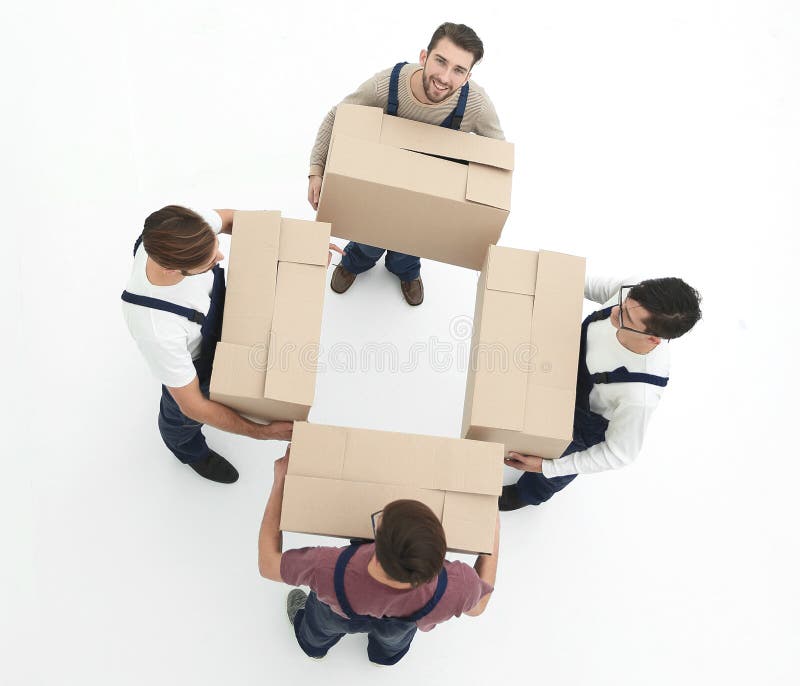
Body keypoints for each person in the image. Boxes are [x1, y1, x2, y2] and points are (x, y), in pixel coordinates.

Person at [307, 22, 505, 306]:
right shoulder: (387, 84)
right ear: (424, 57)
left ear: (467, 76)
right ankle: (355, 262)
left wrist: (483, 211)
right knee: (369, 235)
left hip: (427, 193)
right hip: (380, 181)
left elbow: (497, 156)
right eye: (440, 61)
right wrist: (317, 170)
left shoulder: (476, 105)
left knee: (411, 243)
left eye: (458, 70)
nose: (445, 77)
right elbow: (336, 116)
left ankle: (406, 271)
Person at [258, 447, 500, 665]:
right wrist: (492, 526)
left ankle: (315, 648)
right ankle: (382, 658)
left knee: (318, 628)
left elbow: (268, 564)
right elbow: (478, 607)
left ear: (375, 548)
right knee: (392, 644)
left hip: (335, 612)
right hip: (399, 627)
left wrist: (279, 483)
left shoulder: (325, 567)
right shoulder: (458, 586)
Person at [121, 206, 300, 484]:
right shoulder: (157, 330)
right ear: (171, 270)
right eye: (208, 262)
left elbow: (228, 219)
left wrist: (297, 248)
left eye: (215, 247)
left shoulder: (180, 228)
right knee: (180, 421)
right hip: (197, 366)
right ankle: (189, 451)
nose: (220, 257)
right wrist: (261, 432)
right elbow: (193, 406)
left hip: (216, 321)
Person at [499, 276, 702, 511]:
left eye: (627, 317)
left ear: (653, 339)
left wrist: (547, 467)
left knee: (551, 472)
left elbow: (619, 454)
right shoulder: (635, 296)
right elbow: (588, 285)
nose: (616, 309)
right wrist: (547, 279)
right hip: (563, 370)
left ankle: (526, 494)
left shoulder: (639, 394)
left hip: (584, 421)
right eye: (625, 301)